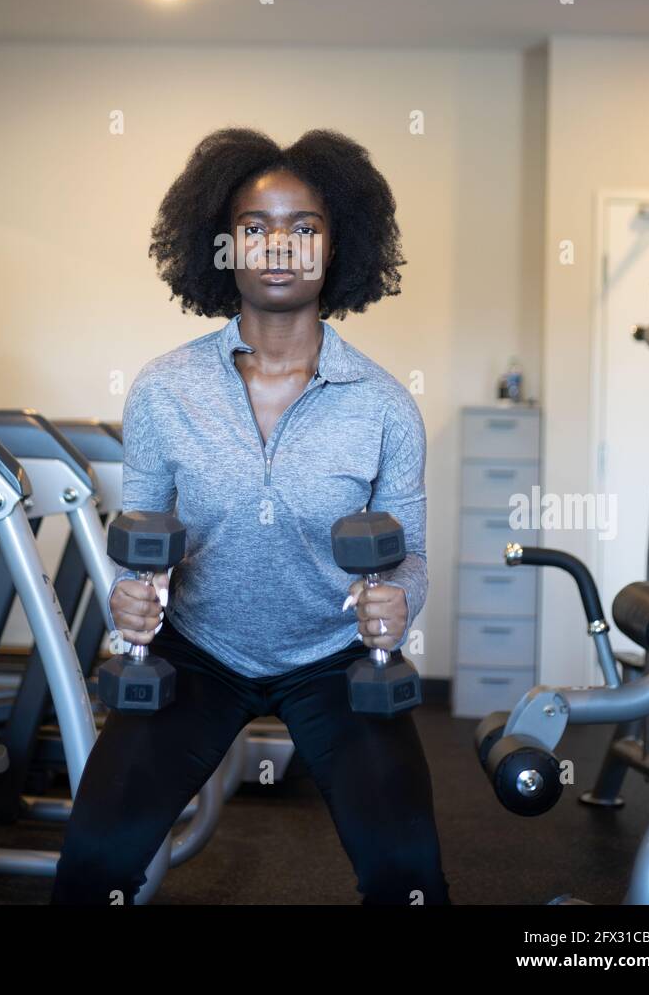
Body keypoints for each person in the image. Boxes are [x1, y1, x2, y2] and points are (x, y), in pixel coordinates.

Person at [51, 127, 451, 906]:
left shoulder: (384, 408)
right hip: (198, 651)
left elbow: (412, 556)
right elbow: (143, 544)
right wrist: (129, 600)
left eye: (304, 228)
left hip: (335, 661)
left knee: (408, 877)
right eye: (255, 228)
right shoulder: (166, 392)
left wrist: (400, 601)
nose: (280, 247)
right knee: (94, 864)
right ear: (224, 247)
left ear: (336, 249)